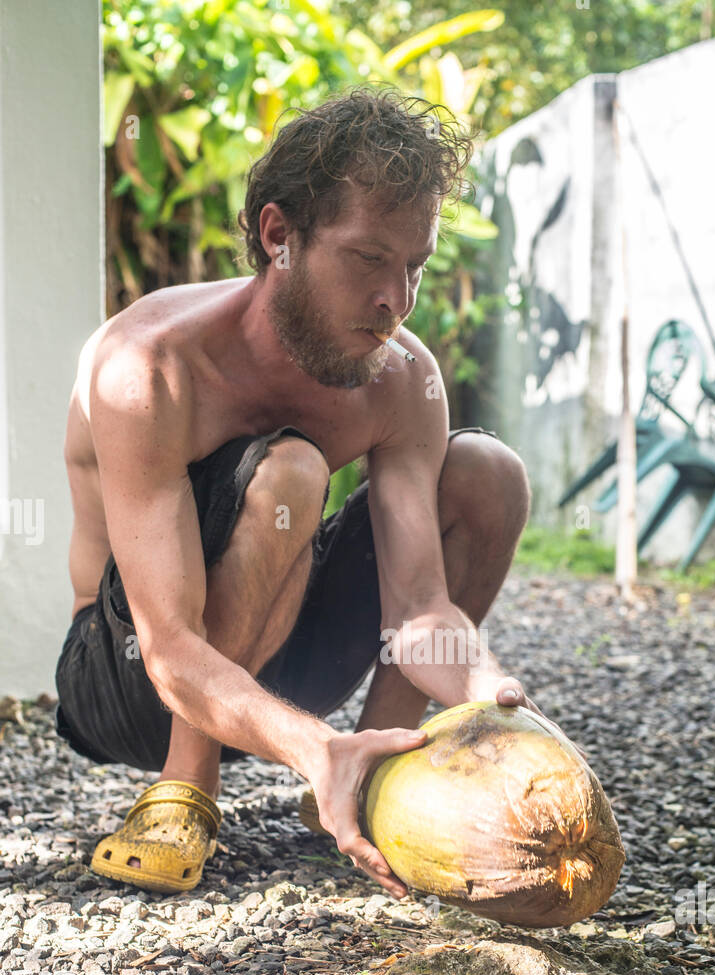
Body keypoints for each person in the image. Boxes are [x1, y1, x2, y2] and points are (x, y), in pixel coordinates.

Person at [54, 86, 534, 899]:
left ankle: (379, 769)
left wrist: (496, 698)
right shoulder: (151, 368)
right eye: (367, 259)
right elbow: (167, 648)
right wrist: (311, 745)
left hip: (282, 669)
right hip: (130, 677)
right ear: (279, 236)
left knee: (488, 474)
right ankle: (185, 792)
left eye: (413, 266)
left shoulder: (400, 378)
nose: (396, 302)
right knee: (292, 471)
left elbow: (417, 610)